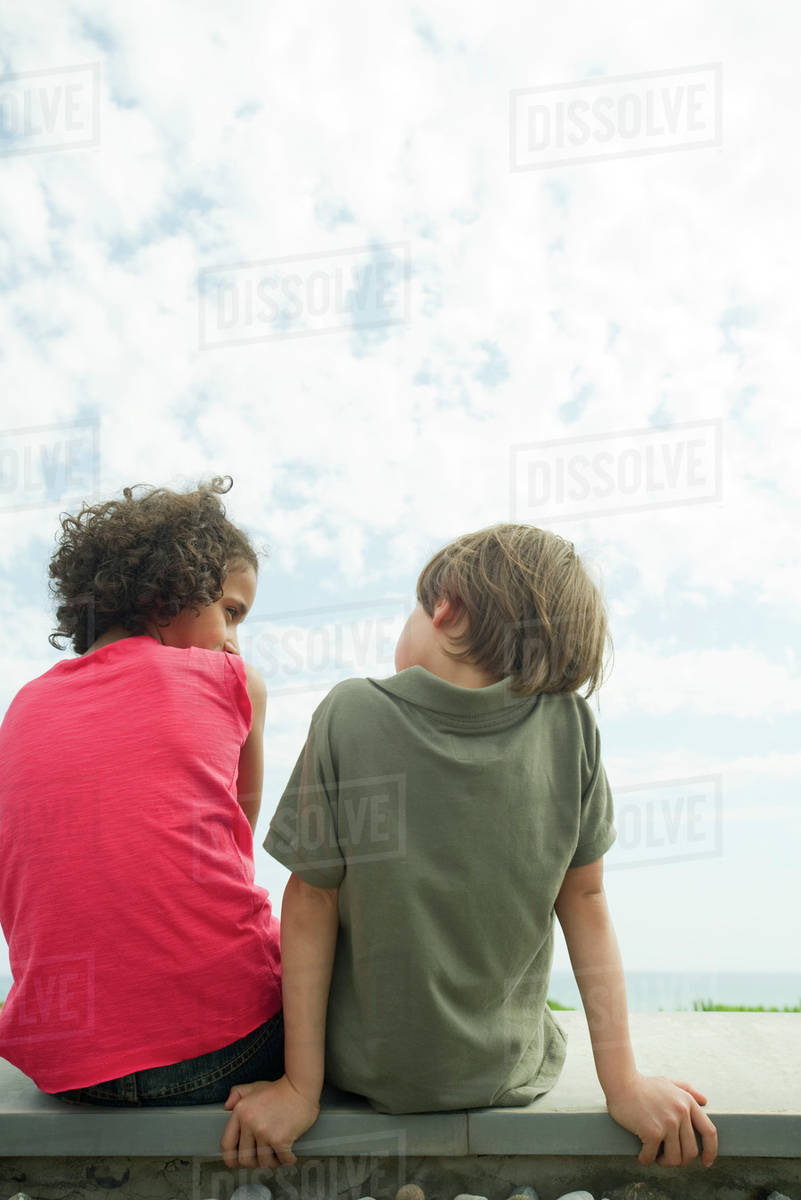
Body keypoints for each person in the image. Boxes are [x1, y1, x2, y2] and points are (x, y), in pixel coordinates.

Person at [220, 523, 718, 1171]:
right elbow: (586, 901)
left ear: (446, 603)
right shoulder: (570, 724)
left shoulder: (351, 711)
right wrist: (622, 1083)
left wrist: (298, 1090)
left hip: (361, 1071)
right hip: (504, 1074)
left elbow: (311, 903)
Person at [0, 475, 283, 1105]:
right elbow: (241, 833)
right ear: (167, 597)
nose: (235, 639)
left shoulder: (23, 705)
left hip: (65, 1065)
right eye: (230, 612)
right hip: (225, 1049)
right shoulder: (234, 681)